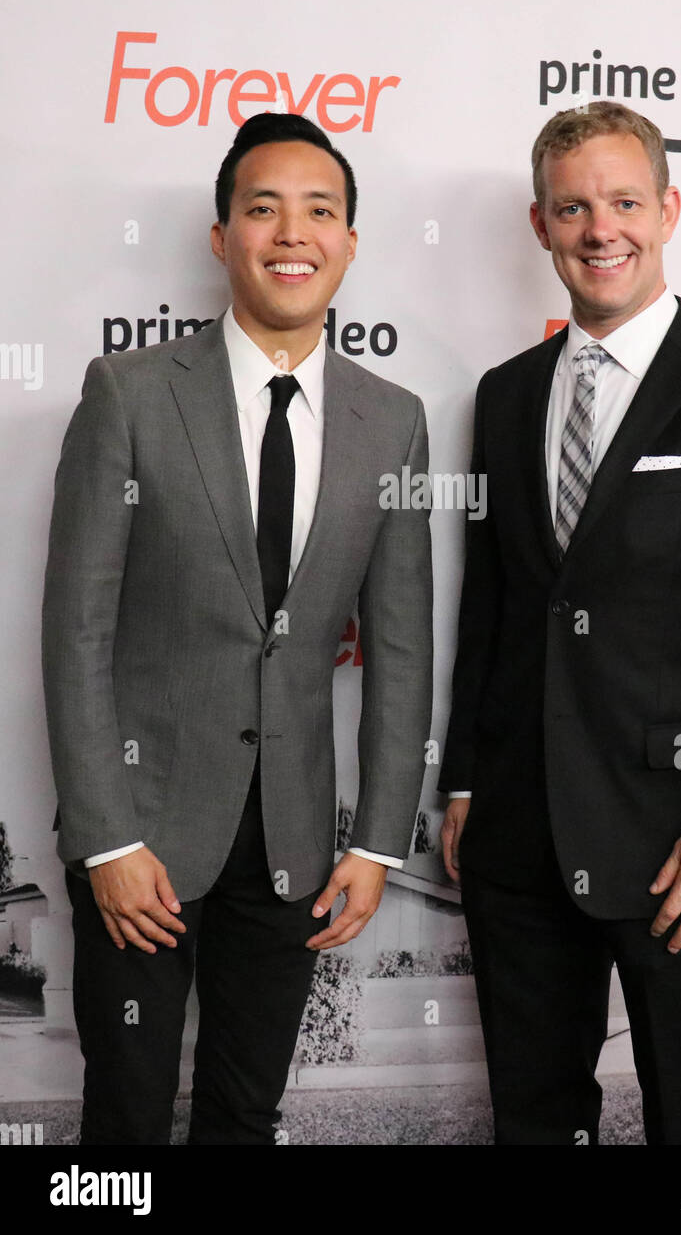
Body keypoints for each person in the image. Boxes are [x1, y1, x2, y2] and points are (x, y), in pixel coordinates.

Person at [439, 101, 681, 1145]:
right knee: (533, 1113)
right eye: (571, 208)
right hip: (518, 832)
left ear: (666, 209)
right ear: (539, 225)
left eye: (620, 202)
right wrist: (468, 779)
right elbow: (494, 602)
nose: (597, 229)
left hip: (678, 843)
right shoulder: (506, 394)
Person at [42, 111, 433, 1145]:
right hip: (144, 832)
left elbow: (399, 649)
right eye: (262, 209)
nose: (290, 232)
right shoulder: (127, 393)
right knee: (123, 1116)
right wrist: (106, 836)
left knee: (243, 1112)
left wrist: (379, 841)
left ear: (349, 241)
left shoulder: (390, 420)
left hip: (296, 843)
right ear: (222, 237)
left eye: (320, 211)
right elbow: (74, 627)